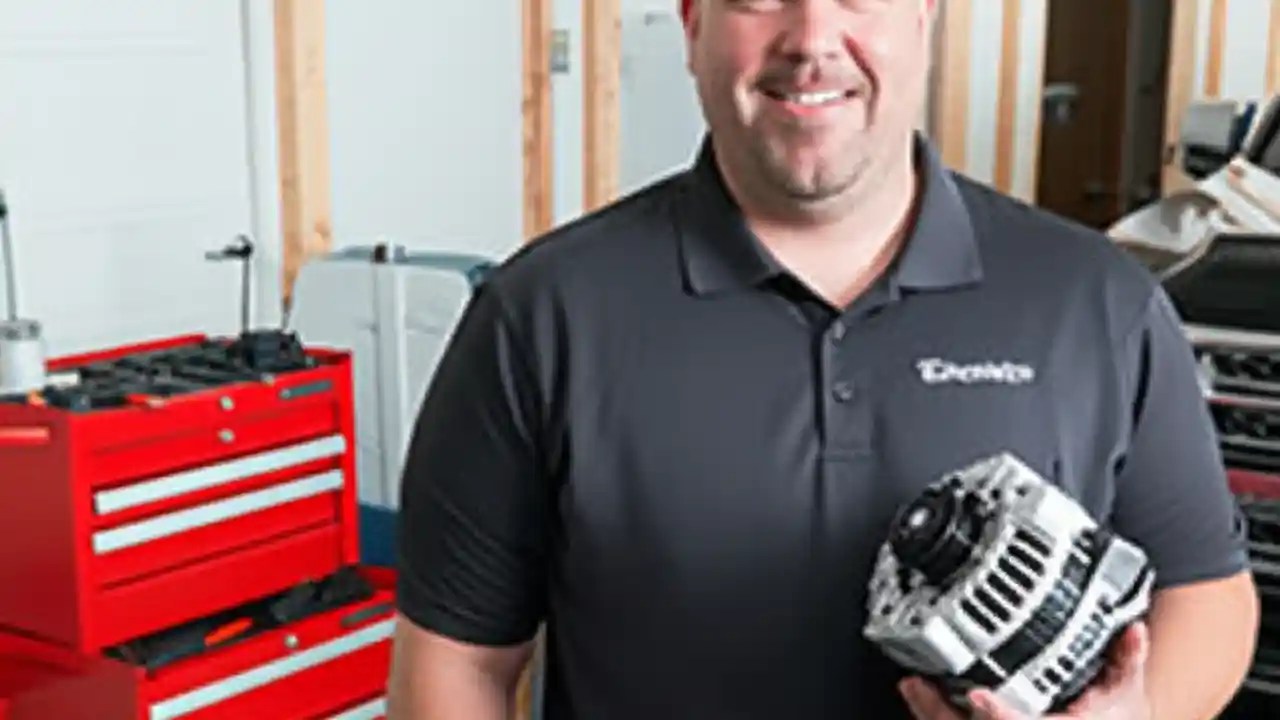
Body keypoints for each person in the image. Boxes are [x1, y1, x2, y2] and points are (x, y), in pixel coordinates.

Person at [386, 0, 1260, 717]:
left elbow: (1209, 597)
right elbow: (454, 665)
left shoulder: (1097, 301)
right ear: (692, 25)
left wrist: (1137, 715)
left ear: (925, 17)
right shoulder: (541, 315)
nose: (810, 41)